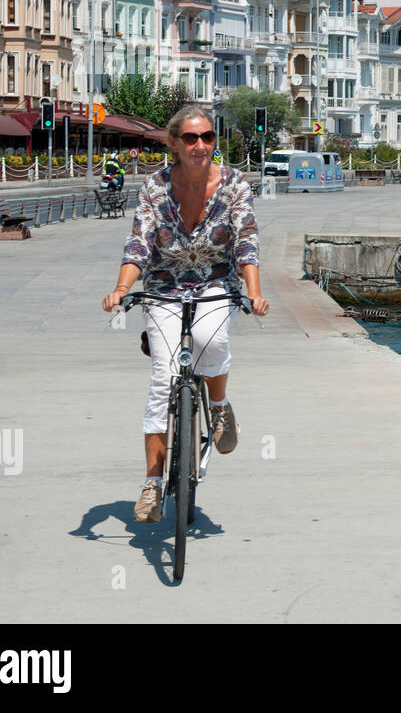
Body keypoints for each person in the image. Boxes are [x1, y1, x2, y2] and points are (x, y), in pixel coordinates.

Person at [102, 106, 269, 523]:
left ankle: (220, 406)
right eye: (191, 139)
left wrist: (255, 293)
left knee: (213, 340)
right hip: (163, 287)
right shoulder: (154, 187)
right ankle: (152, 485)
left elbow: (246, 240)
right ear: (174, 144)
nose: (201, 146)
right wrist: (122, 289)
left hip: (215, 284)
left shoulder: (233, 185)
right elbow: (139, 243)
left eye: (208, 137)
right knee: (163, 377)